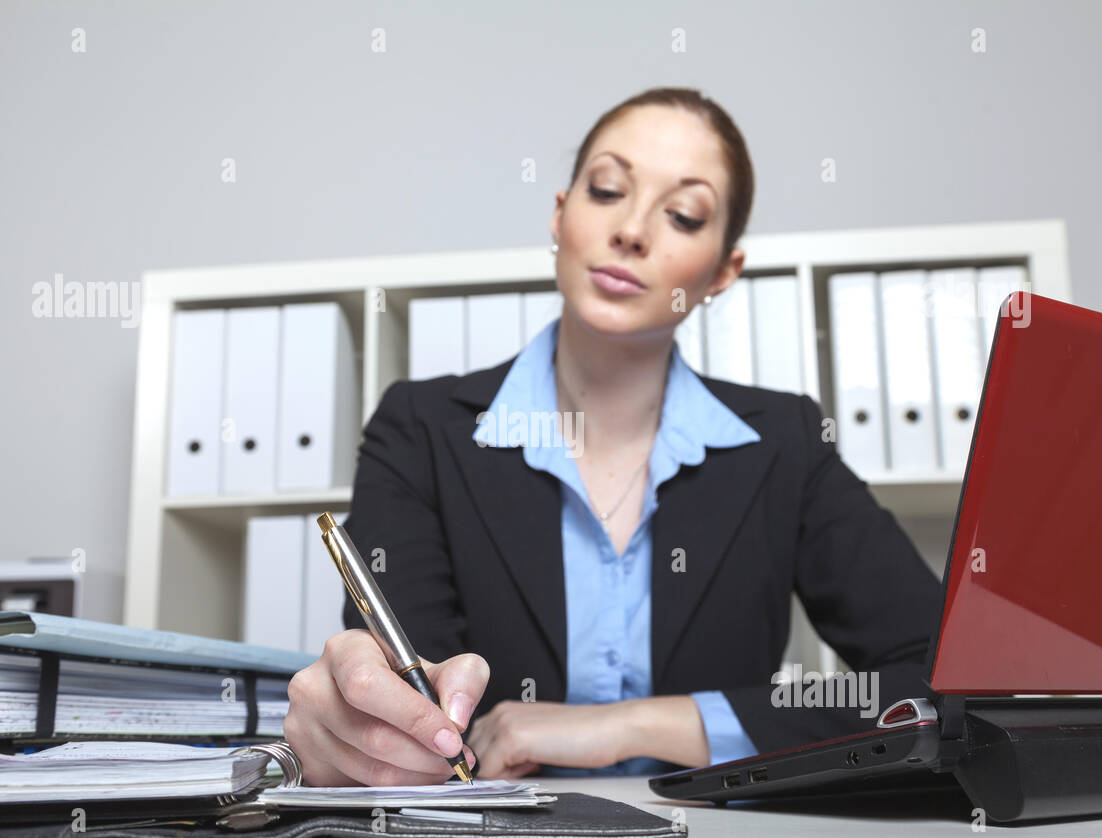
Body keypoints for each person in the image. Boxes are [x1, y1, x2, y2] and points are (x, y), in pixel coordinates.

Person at [283, 87, 943, 786]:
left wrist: (633, 724)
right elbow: (403, 696)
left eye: (684, 216)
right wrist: (363, 729)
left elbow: (940, 681)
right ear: (561, 216)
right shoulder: (420, 429)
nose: (632, 230)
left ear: (722, 274)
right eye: (607, 191)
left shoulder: (786, 443)